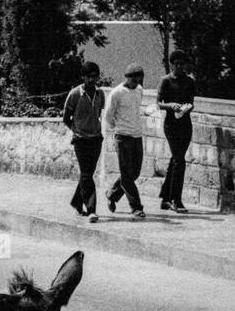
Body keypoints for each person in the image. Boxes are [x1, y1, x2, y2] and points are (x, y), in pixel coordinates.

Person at [62, 62, 105, 222]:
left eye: (94, 77)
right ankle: (91, 209)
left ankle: (76, 201)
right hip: (81, 140)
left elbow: (98, 113)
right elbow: (66, 118)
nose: (91, 80)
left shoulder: (100, 94)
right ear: (83, 77)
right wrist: (77, 130)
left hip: (96, 138)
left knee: (87, 174)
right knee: (86, 174)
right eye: (88, 77)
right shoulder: (75, 94)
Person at [104, 63, 147, 219]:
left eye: (139, 80)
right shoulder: (116, 93)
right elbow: (108, 115)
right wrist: (118, 128)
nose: (136, 83)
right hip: (122, 137)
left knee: (134, 172)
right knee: (126, 173)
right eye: (134, 80)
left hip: (137, 135)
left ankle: (112, 194)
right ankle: (136, 207)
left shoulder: (139, 90)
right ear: (127, 78)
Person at [157, 51, 196, 212]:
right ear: (171, 64)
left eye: (181, 64)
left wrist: (186, 108)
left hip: (185, 124)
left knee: (175, 160)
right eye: (176, 64)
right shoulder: (165, 81)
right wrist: (171, 105)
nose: (179, 67)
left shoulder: (189, 81)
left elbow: (191, 103)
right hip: (171, 125)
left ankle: (165, 198)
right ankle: (176, 199)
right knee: (179, 161)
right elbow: (159, 103)